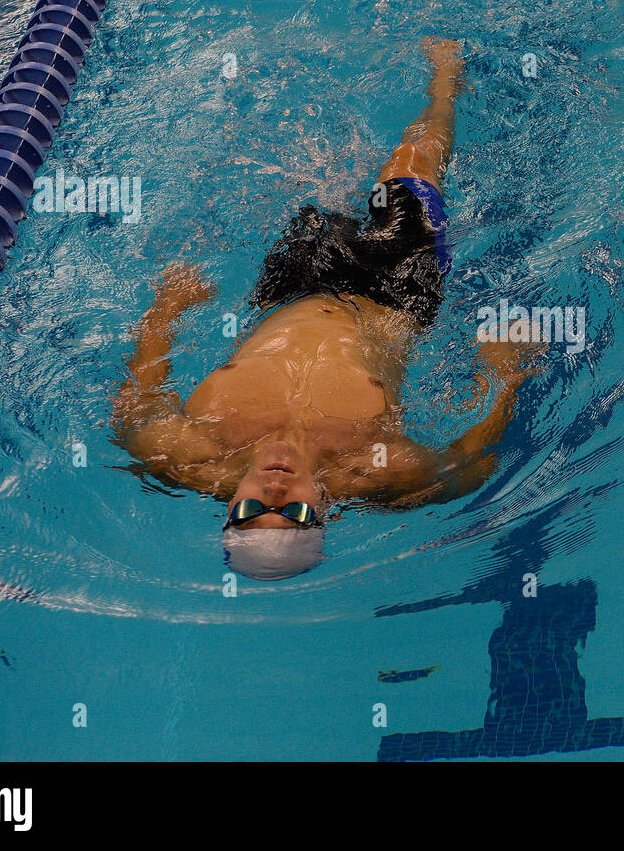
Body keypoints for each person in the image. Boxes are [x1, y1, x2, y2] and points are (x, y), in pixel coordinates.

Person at [111, 38, 538, 581]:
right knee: (410, 163)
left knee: (306, 174)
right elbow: (472, 466)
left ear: (228, 509)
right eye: (294, 513)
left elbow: (138, 399)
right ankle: (447, 79)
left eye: (250, 512)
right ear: (325, 514)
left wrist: (165, 310)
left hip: (292, 289)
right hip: (394, 290)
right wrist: (504, 373)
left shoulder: (180, 452)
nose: (273, 492)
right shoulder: (380, 468)